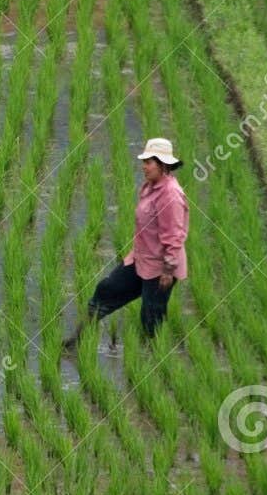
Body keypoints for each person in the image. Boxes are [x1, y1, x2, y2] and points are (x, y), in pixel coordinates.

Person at [66, 137, 189, 346]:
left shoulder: (171, 196)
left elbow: (174, 237)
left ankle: (157, 361)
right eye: (145, 161)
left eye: (149, 162)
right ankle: (75, 341)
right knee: (106, 290)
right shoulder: (151, 186)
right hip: (140, 260)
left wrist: (168, 271)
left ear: (163, 165)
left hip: (160, 269)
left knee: (151, 318)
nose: (144, 166)